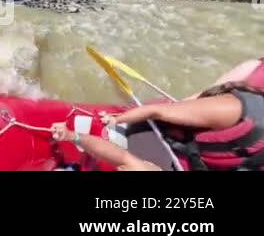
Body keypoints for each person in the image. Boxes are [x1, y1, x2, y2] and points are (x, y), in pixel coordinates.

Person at [52, 57, 264, 171]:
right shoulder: (235, 106)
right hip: (184, 151)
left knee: (133, 164)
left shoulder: (235, 108)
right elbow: (158, 111)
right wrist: (116, 119)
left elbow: (157, 111)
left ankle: (77, 146)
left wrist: (116, 120)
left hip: (185, 156)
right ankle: (78, 142)